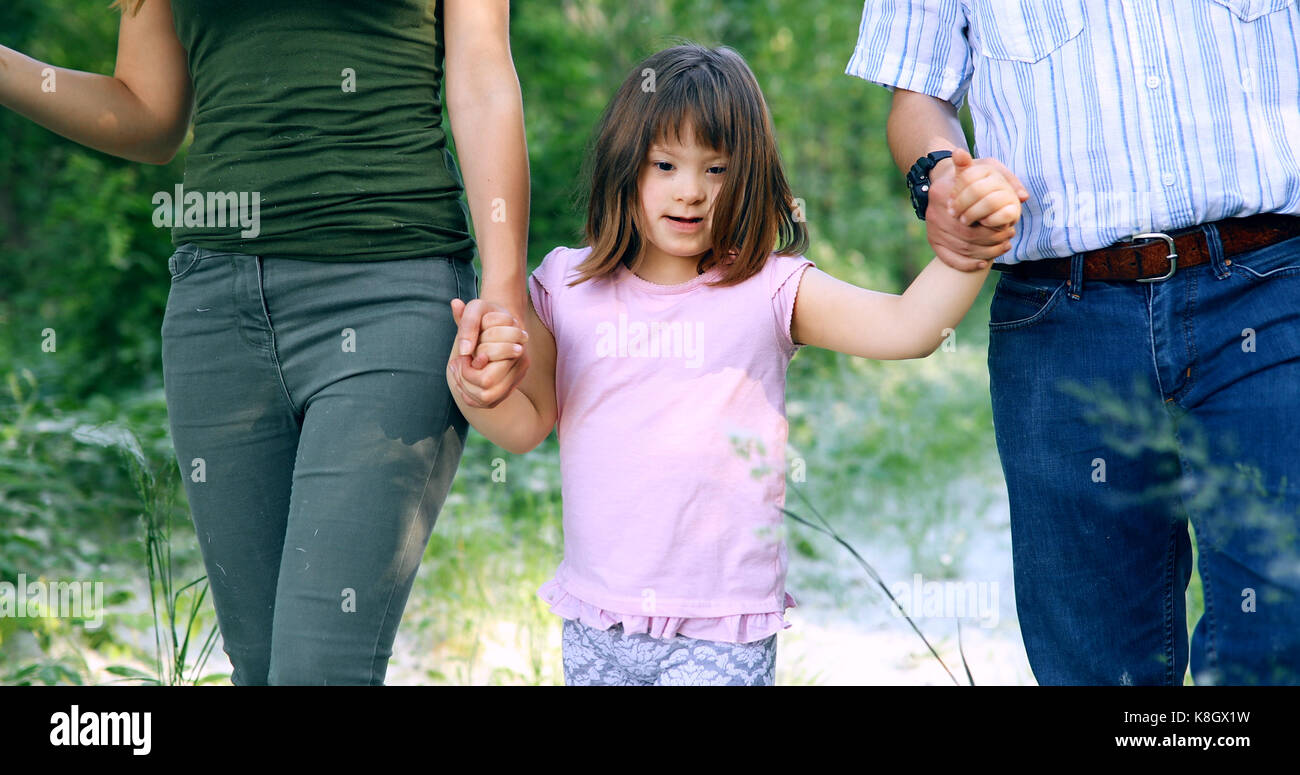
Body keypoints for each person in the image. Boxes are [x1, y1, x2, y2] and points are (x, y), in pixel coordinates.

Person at [444, 43, 1022, 685]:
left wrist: (972, 243)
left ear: (749, 176)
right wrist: (473, 389)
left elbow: (909, 327)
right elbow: (525, 426)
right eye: (665, 164)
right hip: (596, 621)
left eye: (717, 169)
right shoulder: (566, 285)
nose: (691, 191)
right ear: (624, 165)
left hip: (720, 633)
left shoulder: (768, 290)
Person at [0, 0, 531, 684]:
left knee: (319, 668)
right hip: (215, 308)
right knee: (260, 667)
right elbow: (150, 113)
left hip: (391, 288)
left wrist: (505, 287)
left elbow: (482, 72)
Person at [848, 0, 1300, 685]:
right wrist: (941, 178)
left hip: (1270, 287)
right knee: (1095, 662)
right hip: (1061, 315)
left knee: (1279, 631)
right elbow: (919, 94)